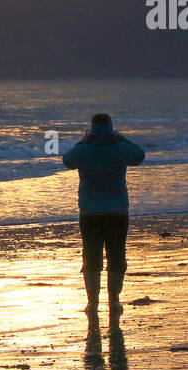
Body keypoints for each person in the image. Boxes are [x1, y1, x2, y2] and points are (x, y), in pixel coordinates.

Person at [62, 113, 145, 319]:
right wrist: (121, 138)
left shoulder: (83, 150)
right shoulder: (120, 149)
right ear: (110, 129)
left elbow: (67, 160)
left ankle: (92, 303)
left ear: (91, 130)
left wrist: (84, 140)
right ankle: (114, 300)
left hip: (90, 212)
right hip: (117, 211)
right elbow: (140, 155)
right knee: (117, 256)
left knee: (91, 256)